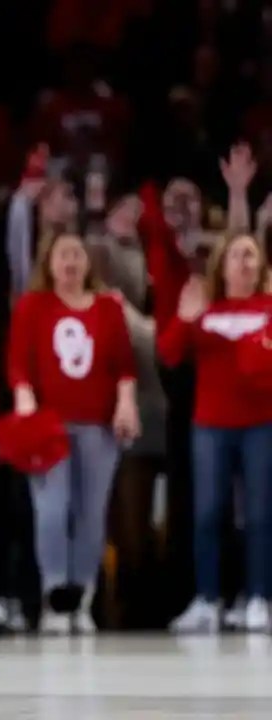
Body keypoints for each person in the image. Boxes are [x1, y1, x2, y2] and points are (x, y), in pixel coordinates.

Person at [8, 231, 139, 634]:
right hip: (49, 426)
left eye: (77, 255)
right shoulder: (33, 305)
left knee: (91, 513)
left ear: (87, 263)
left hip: (98, 425)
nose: (70, 262)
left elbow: (124, 365)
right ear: (49, 264)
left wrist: (126, 403)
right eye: (62, 255)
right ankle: (54, 597)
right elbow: (18, 363)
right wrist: (25, 400)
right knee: (51, 509)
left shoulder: (108, 307)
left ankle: (82, 599)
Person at [159, 234, 272, 633]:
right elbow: (169, 354)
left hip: (261, 424)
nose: (243, 262)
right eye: (236, 255)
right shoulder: (204, 311)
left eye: (250, 255)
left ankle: (258, 597)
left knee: (260, 515)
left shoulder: (269, 308)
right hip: (211, 425)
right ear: (222, 267)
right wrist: (184, 319)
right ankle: (207, 599)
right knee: (207, 513)